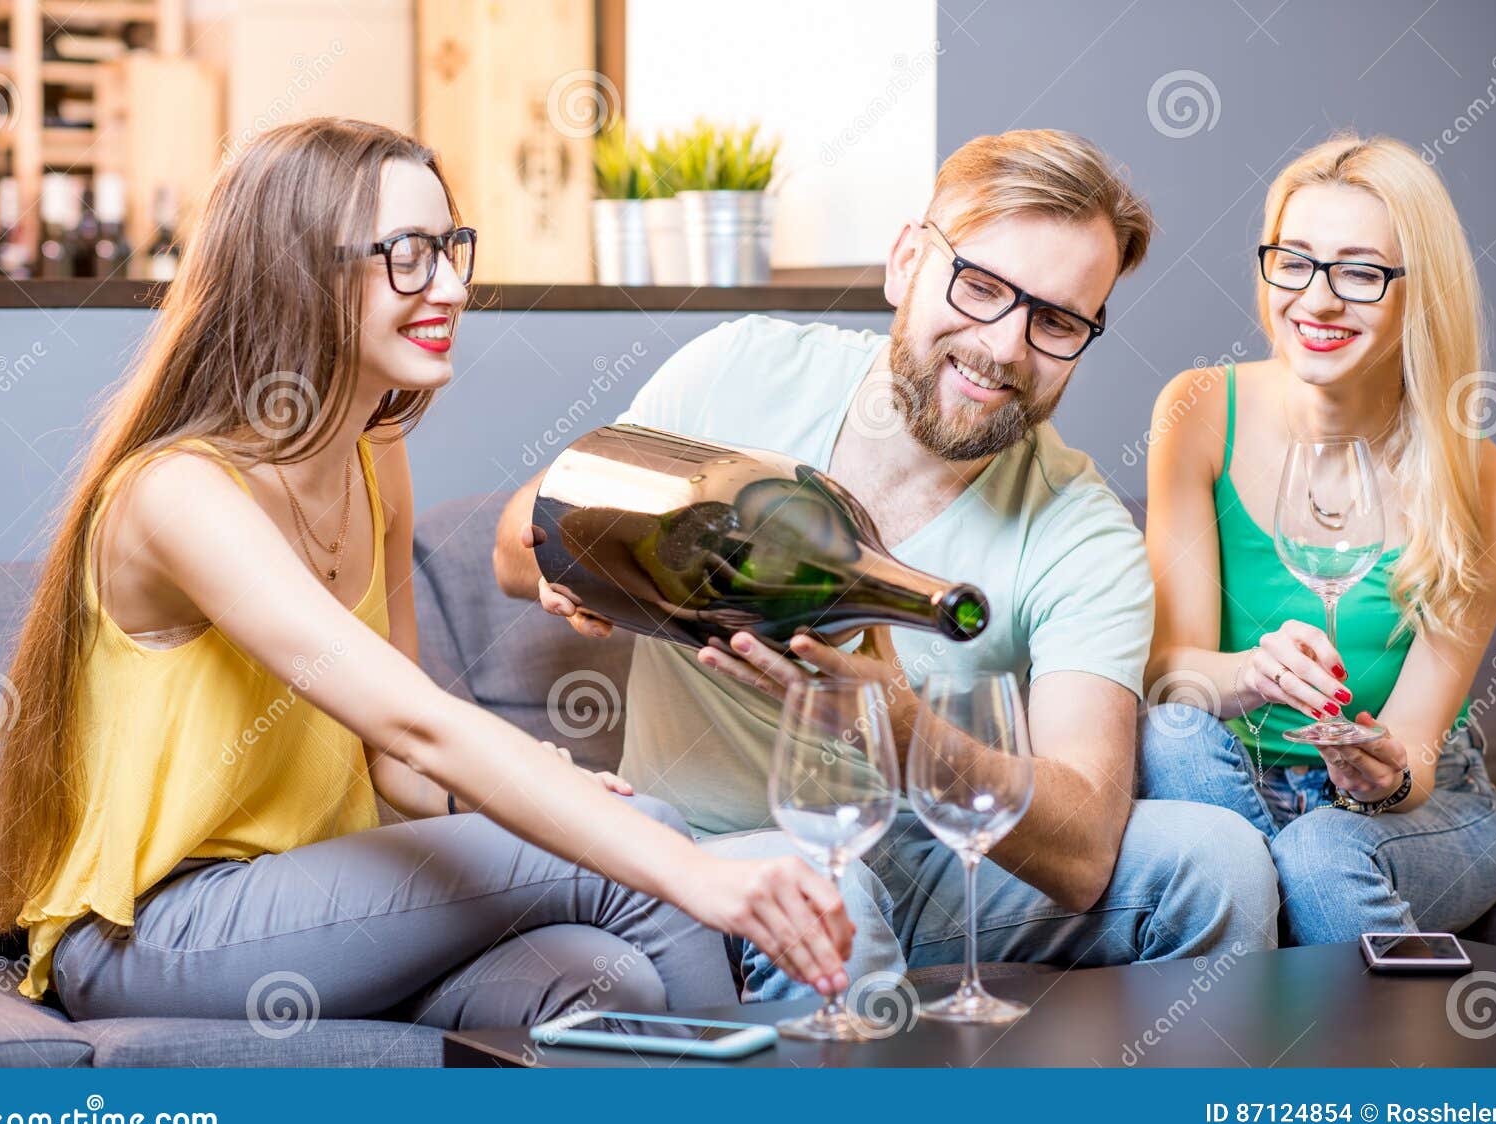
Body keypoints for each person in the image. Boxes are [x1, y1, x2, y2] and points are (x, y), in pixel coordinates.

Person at [0, 117, 854, 1030]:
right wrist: (695, 873)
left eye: (451, 248)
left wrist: (533, 792)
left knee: (601, 978)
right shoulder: (177, 495)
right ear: (296, 270)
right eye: (409, 255)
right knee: (655, 846)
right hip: (156, 930)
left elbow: (392, 761)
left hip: (313, 909)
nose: (454, 286)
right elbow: (414, 721)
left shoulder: (372, 447)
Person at [495, 130, 1280, 1000]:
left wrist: (897, 724)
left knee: (1220, 860)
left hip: (928, 857)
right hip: (712, 844)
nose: (1004, 348)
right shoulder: (741, 374)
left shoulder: (1080, 527)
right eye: (980, 286)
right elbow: (516, 541)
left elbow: (1086, 846)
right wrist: (596, 578)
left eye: (1054, 321)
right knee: (829, 894)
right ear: (908, 261)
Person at [1140, 134, 1496, 944]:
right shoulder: (1199, 408)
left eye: (1359, 271)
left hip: (1418, 805)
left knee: (1319, 853)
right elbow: (1169, 674)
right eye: (1294, 261)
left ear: (1421, 293)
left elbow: (1414, 752)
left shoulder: (1485, 484)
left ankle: (1300, 972)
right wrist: (1248, 675)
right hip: (1232, 778)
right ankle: (1266, 906)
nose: (1315, 301)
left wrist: (1380, 776)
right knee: (1169, 734)